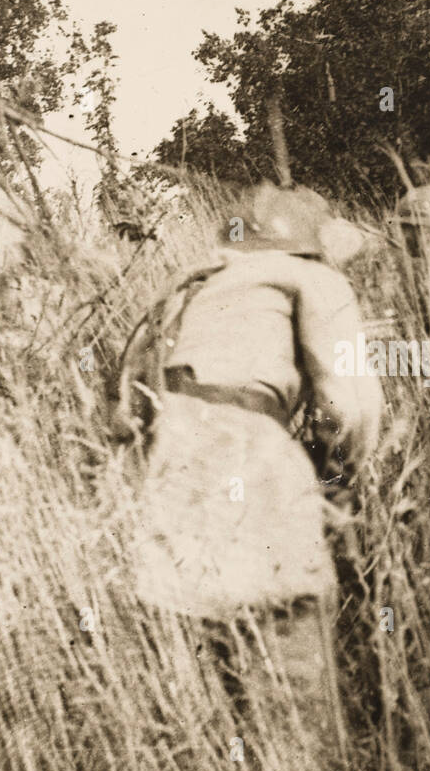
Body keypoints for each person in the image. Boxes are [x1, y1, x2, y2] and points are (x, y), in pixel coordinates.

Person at [115, 182, 383, 733]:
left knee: (201, 655)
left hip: (172, 461)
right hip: (252, 452)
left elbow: (124, 407)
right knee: (291, 646)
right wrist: (338, 471)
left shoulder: (191, 288)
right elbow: (352, 405)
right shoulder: (314, 278)